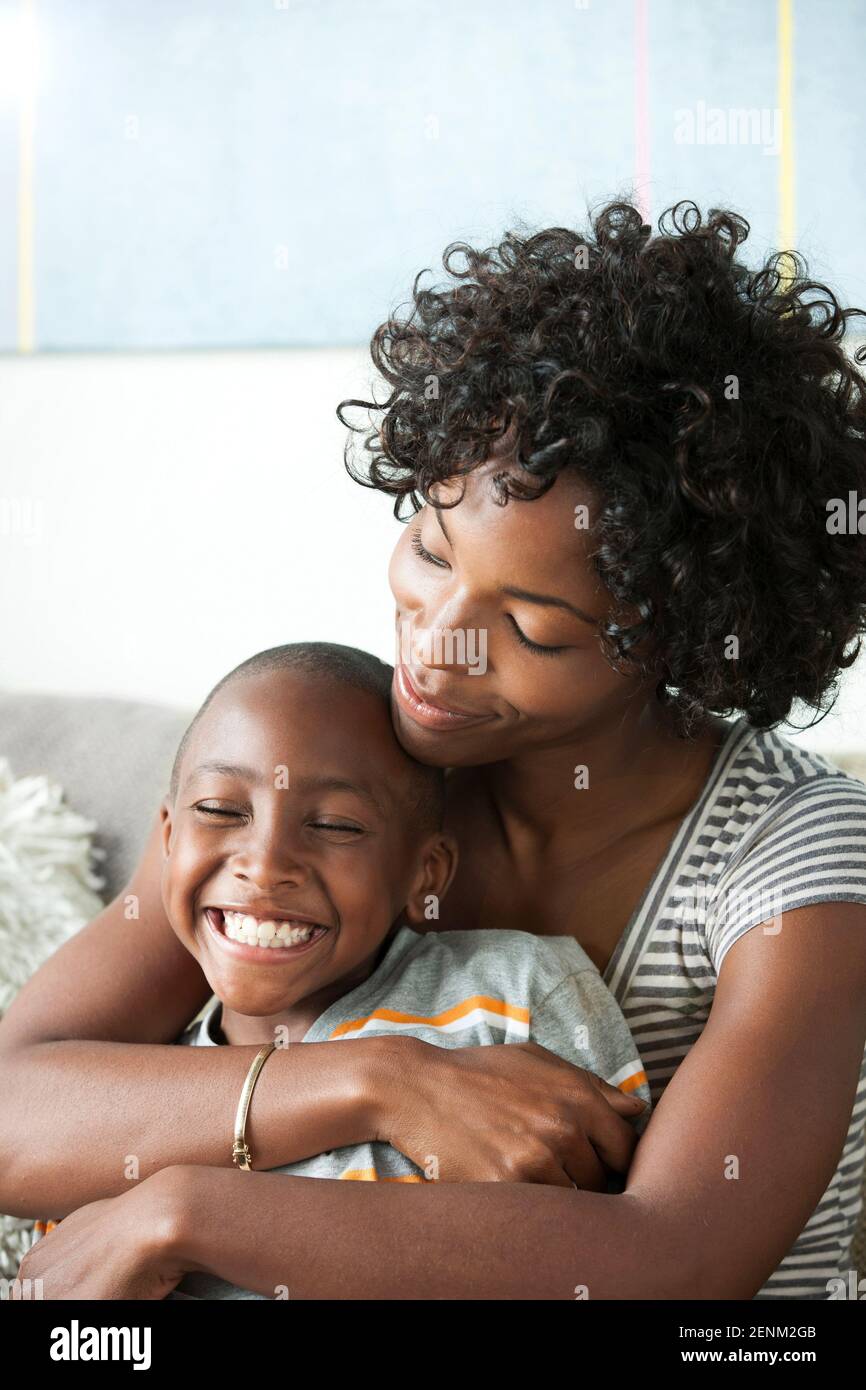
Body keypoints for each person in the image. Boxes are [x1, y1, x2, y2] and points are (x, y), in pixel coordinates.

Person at [5, 200, 866, 1300]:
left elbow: (673, 1263)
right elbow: (14, 1106)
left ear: (683, 640)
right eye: (426, 547)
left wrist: (186, 1206)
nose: (436, 642)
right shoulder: (335, 764)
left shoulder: (794, 859)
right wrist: (373, 1081)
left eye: (533, 628)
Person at [161, 641, 649, 1298]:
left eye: (335, 824)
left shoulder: (516, 993)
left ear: (428, 872)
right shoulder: (138, 1087)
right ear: (167, 838)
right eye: (221, 810)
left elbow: (607, 1258)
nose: (267, 862)